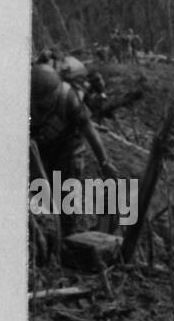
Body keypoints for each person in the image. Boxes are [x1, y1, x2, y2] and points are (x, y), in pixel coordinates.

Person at [29, 64, 117, 238]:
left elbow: (90, 132)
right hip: (41, 151)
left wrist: (105, 162)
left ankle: (67, 237)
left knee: (66, 197)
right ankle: (47, 235)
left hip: (69, 151)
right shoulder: (26, 101)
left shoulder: (68, 99)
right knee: (41, 196)